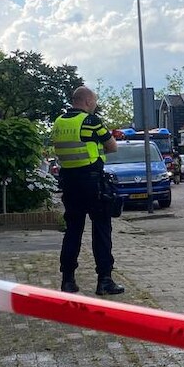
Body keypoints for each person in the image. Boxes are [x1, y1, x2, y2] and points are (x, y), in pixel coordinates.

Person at [51, 86, 125, 296]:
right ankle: (104, 280)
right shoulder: (91, 121)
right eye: (94, 102)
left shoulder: (58, 122)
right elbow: (112, 147)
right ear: (86, 101)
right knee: (101, 230)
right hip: (92, 182)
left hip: (69, 182)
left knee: (73, 230)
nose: (95, 105)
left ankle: (67, 280)